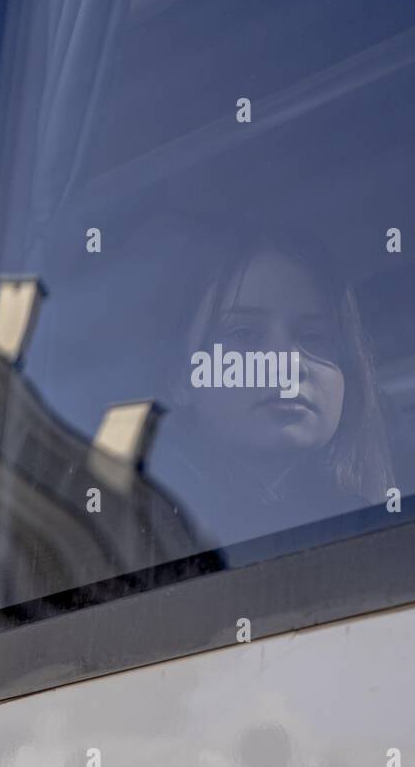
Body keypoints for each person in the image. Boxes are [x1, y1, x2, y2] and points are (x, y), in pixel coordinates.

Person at [137, 214, 393, 549]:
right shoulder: (135, 531)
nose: (287, 364)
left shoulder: (382, 531)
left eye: (314, 338)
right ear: (180, 379)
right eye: (244, 335)